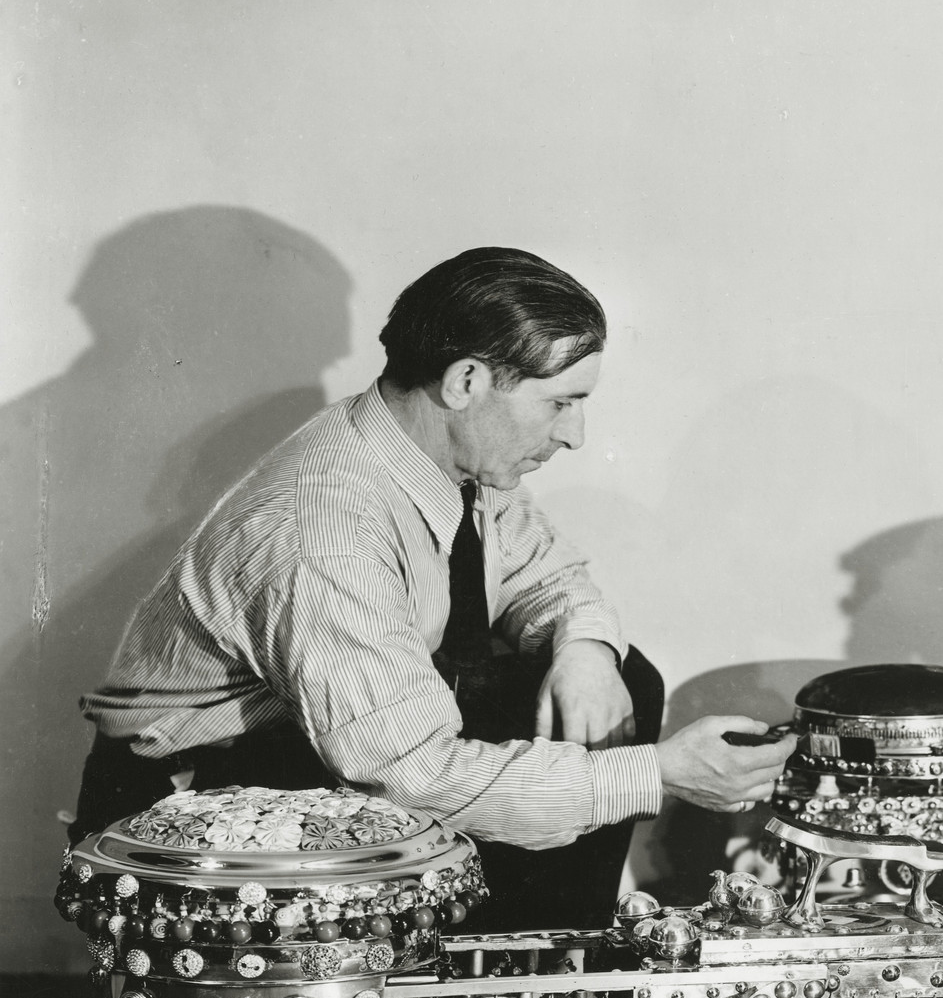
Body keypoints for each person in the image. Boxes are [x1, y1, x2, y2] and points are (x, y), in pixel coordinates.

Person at [73, 247, 794, 925]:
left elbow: (547, 575)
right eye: (560, 403)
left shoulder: (439, 452)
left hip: (319, 746)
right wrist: (656, 774)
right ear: (467, 382)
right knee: (555, 737)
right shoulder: (323, 533)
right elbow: (413, 775)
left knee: (619, 673)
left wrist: (585, 652)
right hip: (206, 797)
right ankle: (505, 993)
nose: (575, 434)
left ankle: (542, 980)